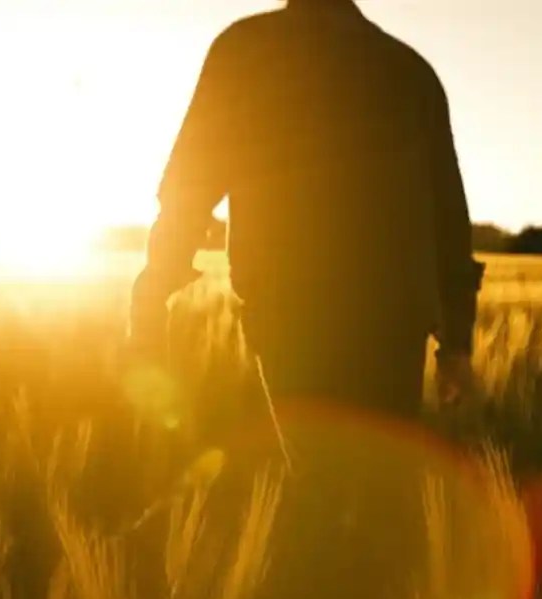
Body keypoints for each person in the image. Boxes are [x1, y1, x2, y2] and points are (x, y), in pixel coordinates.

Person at [130, 0, 483, 423]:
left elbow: (191, 185)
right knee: (385, 479)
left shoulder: (246, 49)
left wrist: (154, 288)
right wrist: (456, 345)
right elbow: (449, 220)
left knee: (316, 474)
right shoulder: (411, 72)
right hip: (395, 325)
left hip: (292, 312)